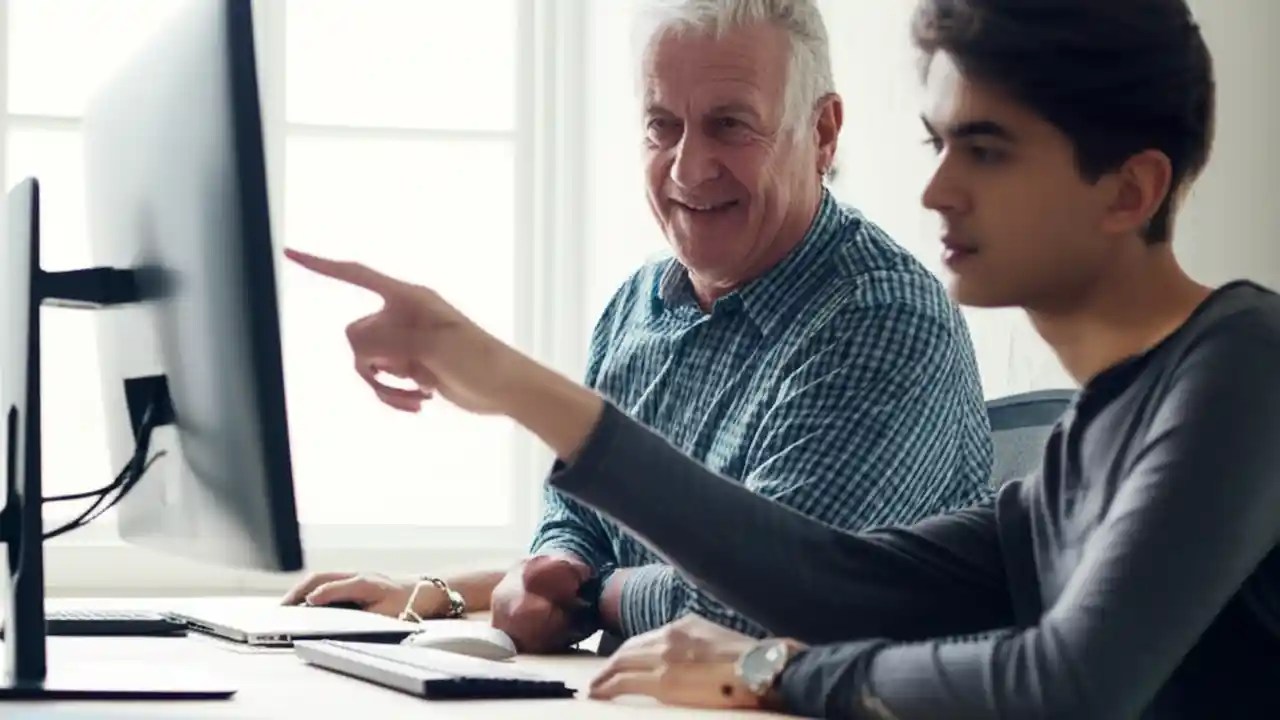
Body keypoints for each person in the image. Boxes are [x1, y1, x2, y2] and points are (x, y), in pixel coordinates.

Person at [287, 0, 1280, 715]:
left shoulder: (1244, 368)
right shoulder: (1102, 429)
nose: (932, 191)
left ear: (1125, 191)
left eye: (983, 149)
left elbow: (1067, 685)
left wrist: (768, 671)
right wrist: (514, 387)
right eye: (936, 144)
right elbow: (835, 583)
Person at [283, 0, 993, 654]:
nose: (687, 166)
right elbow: (576, 521)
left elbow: (767, 605)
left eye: (729, 124)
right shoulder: (637, 303)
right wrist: (550, 569)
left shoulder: (884, 319)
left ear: (822, 131)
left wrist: (592, 596)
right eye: (662, 125)